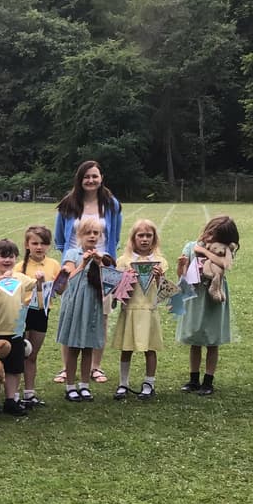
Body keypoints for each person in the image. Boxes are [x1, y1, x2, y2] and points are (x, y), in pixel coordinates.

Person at [52, 161, 122, 385]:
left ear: (101, 177)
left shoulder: (111, 205)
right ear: (79, 179)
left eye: (94, 176)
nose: (90, 180)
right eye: (86, 177)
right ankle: (66, 368)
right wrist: (72, 258)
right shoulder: (68, 204)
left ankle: (95, 367)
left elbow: (115, 238)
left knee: (100, 317)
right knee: (70, 315)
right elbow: (60, 240)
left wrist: (104, 260)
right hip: (75, 265)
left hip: (102, 267)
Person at [175, 215, 240, 396]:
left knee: (212, 340)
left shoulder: (224, 250)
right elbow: (182, 275)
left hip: (214, 297)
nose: (210, 238)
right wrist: (181, 266)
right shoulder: (190, 246)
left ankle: (208, 381)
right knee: (195, 339)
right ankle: (193, 379)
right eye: (210, 232)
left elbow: (225, 264)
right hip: (195, 295)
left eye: (215, 236)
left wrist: (204, 252)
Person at [111, 220, 168, 400]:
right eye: (140, 236)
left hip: (149, 310)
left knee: (150, 348)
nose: (144, 239)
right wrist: (127, 279)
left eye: (148, 235)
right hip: (130, 310)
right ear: (133, 238)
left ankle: (149, 383)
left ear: (154, 238)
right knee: (126, 348)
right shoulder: (124, 261)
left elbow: (164, 291)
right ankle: (123, 383)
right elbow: (117, 293)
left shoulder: (160, 262)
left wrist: (159, 278)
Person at [55, 218, 106, 403]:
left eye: (96, 233)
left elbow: (109, 283)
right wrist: (83, 264)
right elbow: (66, 278)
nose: (92, 236)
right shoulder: (72, 254)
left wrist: (100, 264)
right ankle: (70, 385)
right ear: (79, 235)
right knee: (73, 347)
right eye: (88, 233)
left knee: (88, 348)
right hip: (75, 304)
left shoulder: (103, 256)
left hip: (92, 306)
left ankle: (84, 385)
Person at [0, 239, 29, 418]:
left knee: (14, 368)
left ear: (16, 258)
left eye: (11, 256)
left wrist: (40, 280)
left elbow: (40, 287)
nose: (7, 260)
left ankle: (11, 400)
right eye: (3, 256)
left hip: (16, 331)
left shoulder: (21, 279)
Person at [18, 226, 61, 408]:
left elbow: (60, 289)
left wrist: (61, 280)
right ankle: (12, 393)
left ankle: (29, 393)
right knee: (19, 353)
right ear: (27, 245)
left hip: (42, 312)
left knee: (32, 354)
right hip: (22, 311)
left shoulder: (53, 265)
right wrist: (35, 283)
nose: (39, 247)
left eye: (43, 243)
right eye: (34, 243)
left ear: (49, 246)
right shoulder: (19, 266)